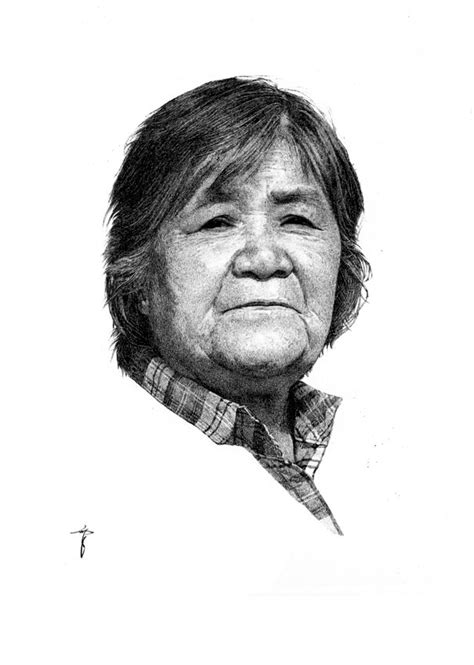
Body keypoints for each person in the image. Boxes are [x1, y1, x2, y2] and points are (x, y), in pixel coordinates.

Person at [105, 77, 370, 535]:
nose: (264, 260)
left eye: (297, 220)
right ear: (139, 277)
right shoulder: (84, 468)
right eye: (217, 223)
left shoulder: (386, 455)